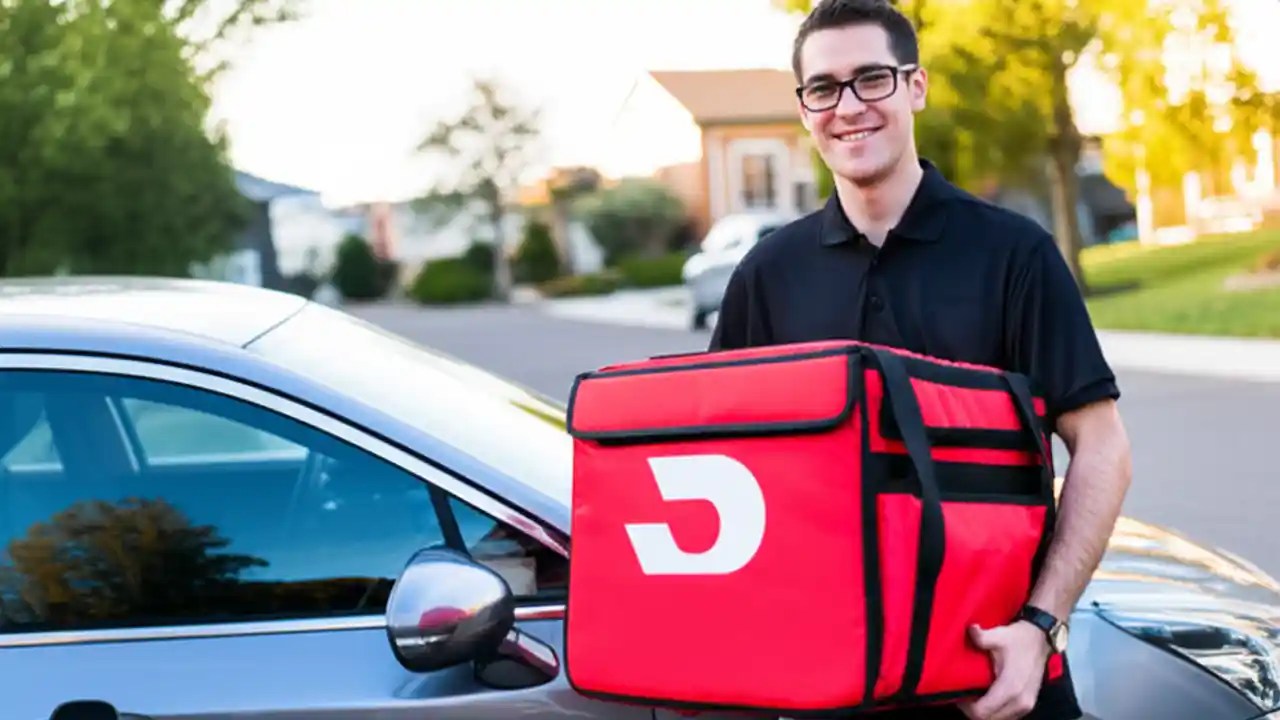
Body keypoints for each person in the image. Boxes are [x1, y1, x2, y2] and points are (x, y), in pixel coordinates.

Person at [708, 1, 1133, 719]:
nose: (849, 107)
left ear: (916, 87)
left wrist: (1040, 626)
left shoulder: (1014, 254)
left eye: (872, 79)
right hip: (829, 688)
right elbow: (724, 468)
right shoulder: (767, 276)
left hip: (999, 680)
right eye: (824, 88)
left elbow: (1102, 447)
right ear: (805, 109)